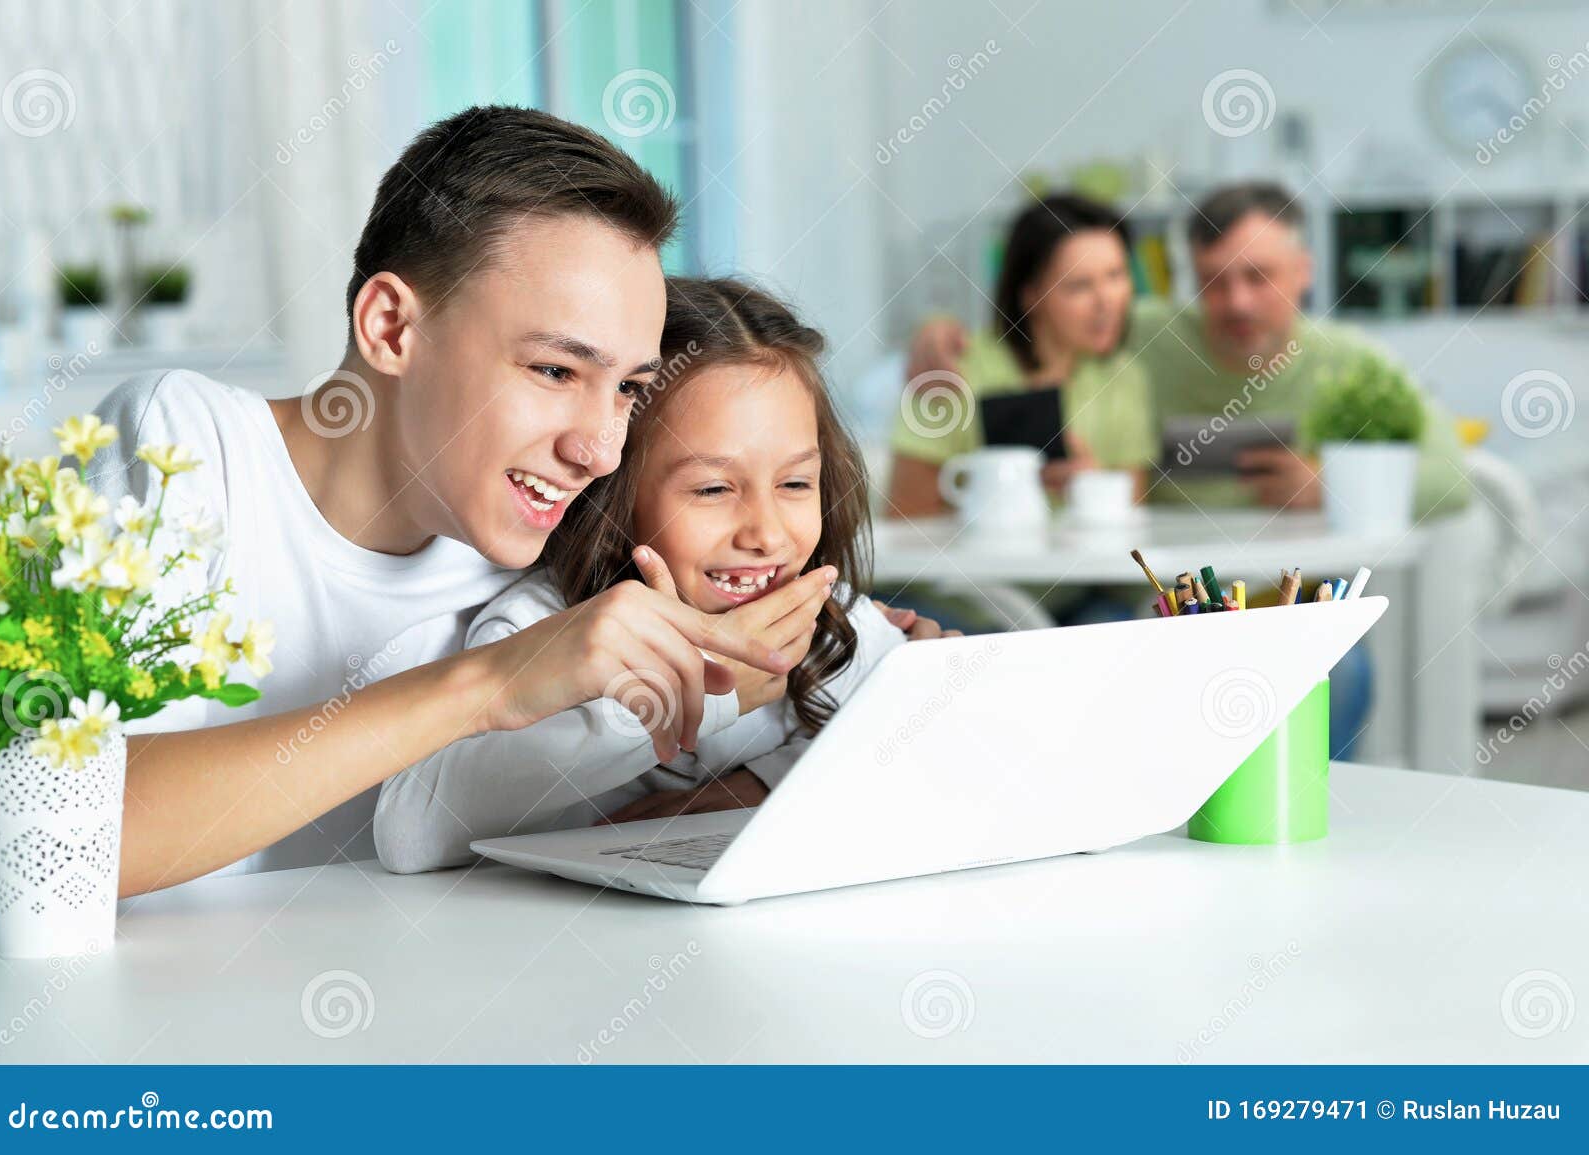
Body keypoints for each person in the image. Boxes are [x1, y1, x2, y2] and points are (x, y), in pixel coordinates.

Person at [87, 107, 926, 898]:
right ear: (389, 328)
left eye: (629, 389)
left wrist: (843, 689)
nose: (599, 449)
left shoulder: (542, 536)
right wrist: (488, 683)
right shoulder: (184, 451)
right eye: (555, 371)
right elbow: (56, 837)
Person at [376, 278, 925, 872]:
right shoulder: (540, 631)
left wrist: (768, 782)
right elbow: (412, 839)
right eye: (713, 489)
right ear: (618, 494)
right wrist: (696, 701)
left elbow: (940, 750)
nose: (766, 534)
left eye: (794, 484)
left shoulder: (827, 624)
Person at [906, 181, 1471, 517]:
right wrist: (935, 330)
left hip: (1292, 586)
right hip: (1165, 591)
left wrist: (1330, 487)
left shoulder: (1353, 362)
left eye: (1260, 277)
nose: (1238, 303)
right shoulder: (1137, 334)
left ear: (1304, 271)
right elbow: (1047, 318)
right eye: (1214, 282)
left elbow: (1454, 480)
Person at [887, 193, 1155, 519]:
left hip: (1082, 568)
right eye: (1079, 286)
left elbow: (1134, 515)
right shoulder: (953, 367)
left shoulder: (1124, 377)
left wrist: (1092, 486)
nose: (1106, 302)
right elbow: (905, 519)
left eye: (1116, 276)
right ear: (1030, 296)